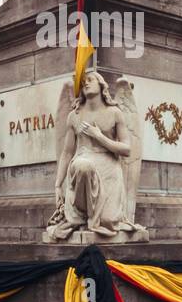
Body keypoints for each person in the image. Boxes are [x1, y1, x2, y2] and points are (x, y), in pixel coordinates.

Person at [46, 70, 133, 239]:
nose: (85, 83)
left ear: (101, 85)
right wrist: (58, 184)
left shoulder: (115, 113)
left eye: (90, 79)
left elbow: (127, 149)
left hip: (109, 168)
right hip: (83, 160)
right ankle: (80, 213)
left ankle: (95, 216)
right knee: (83, 166)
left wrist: (99, 136)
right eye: (83, 81)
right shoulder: (74, 115)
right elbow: (67, 152)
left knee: (108, 221)